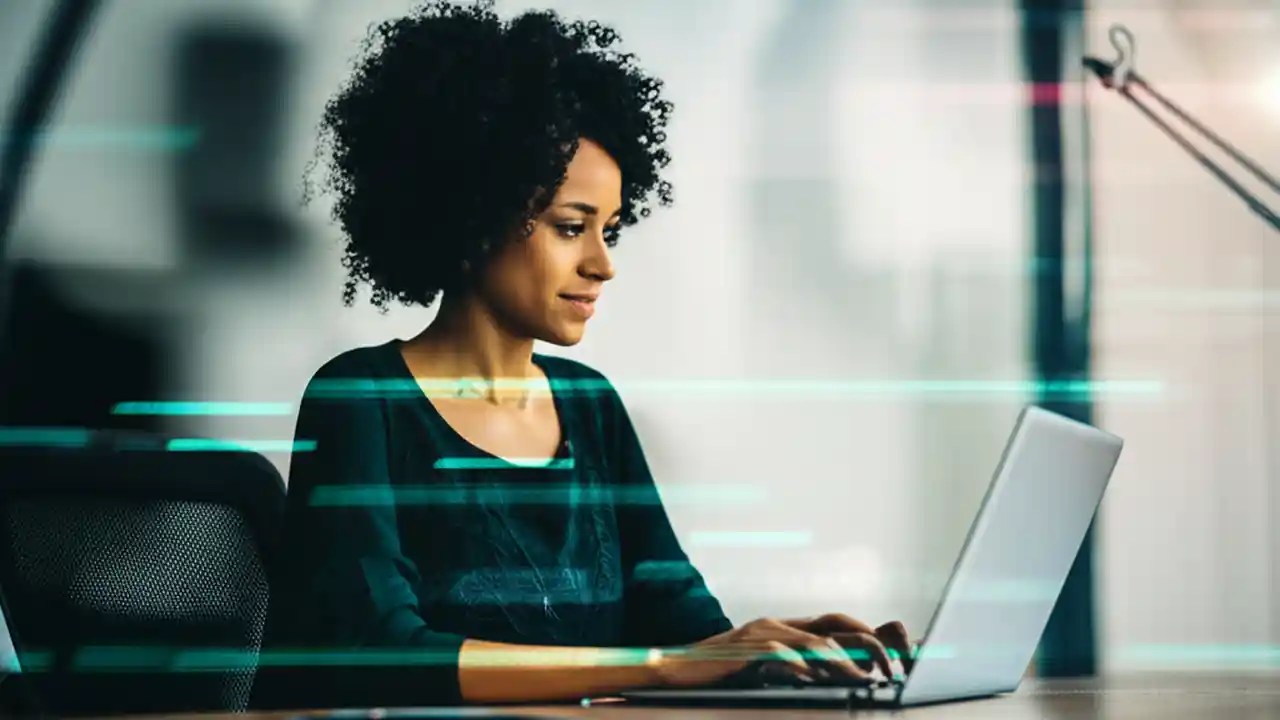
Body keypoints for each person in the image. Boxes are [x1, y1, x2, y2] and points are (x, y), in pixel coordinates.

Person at [253, 0, 913, 709]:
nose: (603, 264)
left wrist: (767, 651)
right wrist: (658, 666)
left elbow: (681, 625)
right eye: (573, 227)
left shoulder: (590, 404)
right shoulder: (362, 400)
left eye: (610, 231)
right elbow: (377, 651)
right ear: (474, 216)